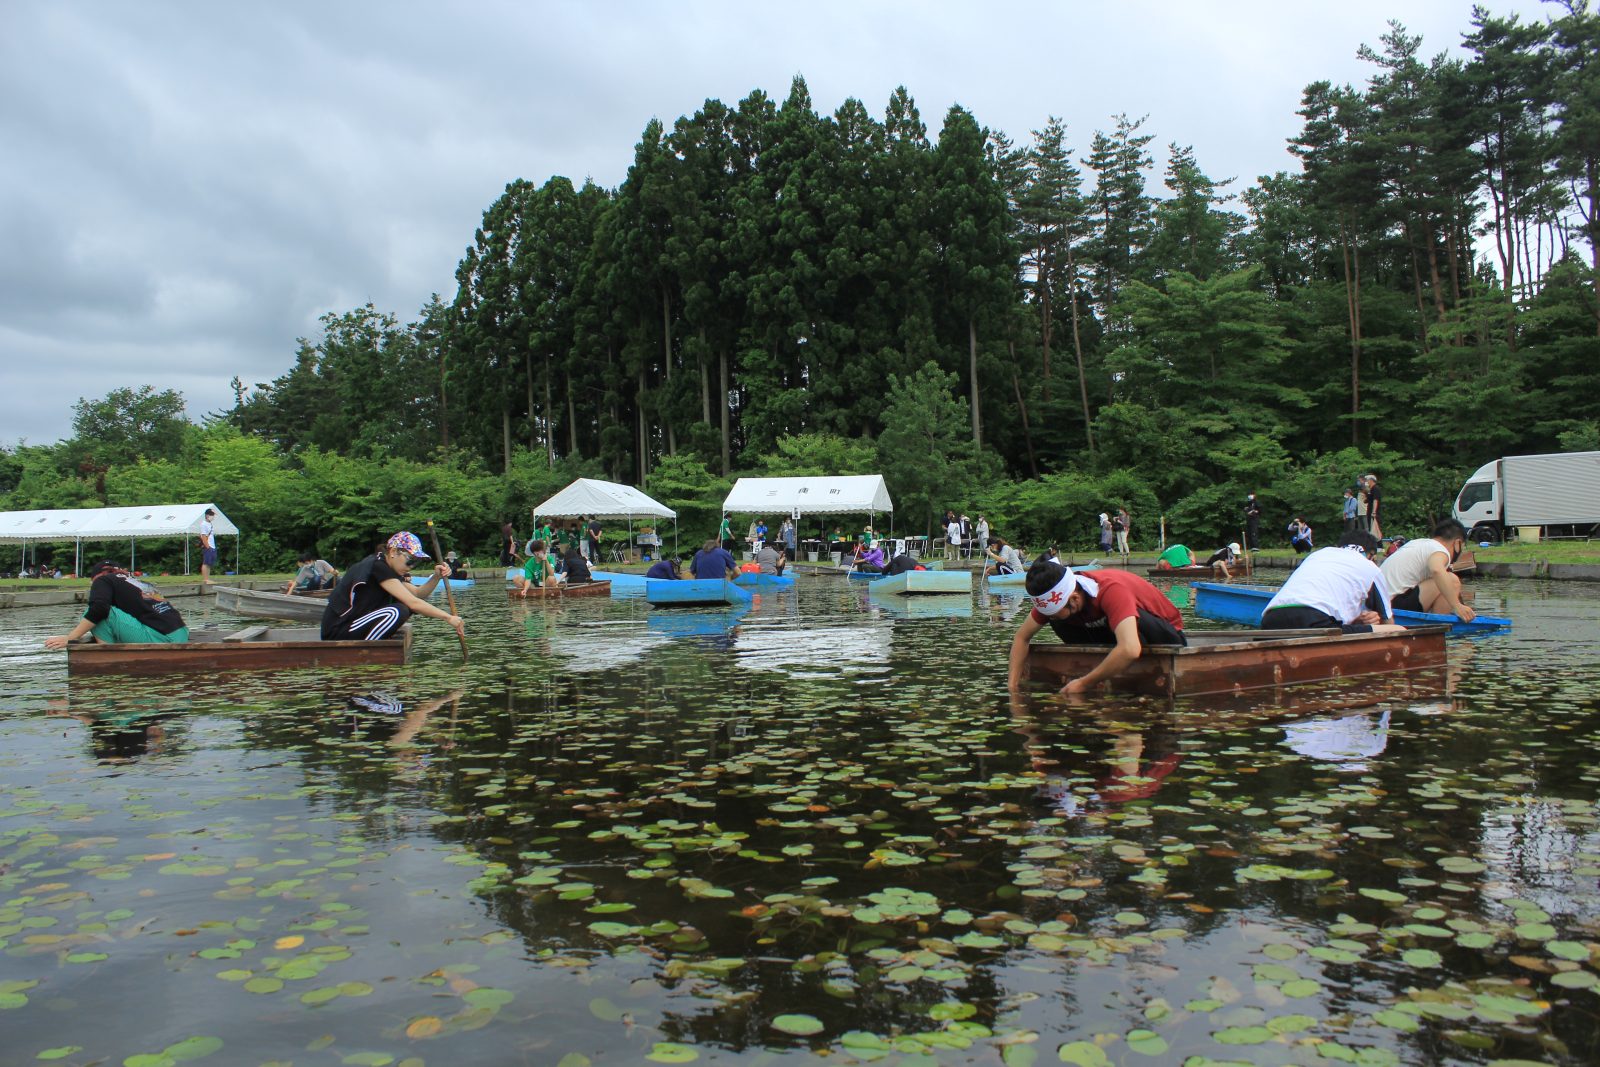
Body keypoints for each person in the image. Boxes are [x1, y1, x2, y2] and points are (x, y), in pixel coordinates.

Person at [1007, 561, 1186, 694]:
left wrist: (1084, 684)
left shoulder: (1110, 590)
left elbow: (1131, 649)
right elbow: (1021, 638)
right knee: (1058, 620)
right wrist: (1013, 688)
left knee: (1129, 623)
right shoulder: (1054, 603)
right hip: (1114, 636)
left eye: (1054, 611)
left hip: (1167, 636)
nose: (1050, 616)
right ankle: (1102, 668)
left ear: (1074, 599)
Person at [322, 532, 464, 642]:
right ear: (393, 552)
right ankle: (368, 648)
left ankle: (374, 642)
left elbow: (417, 593)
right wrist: (447, 617)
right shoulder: (378, 566)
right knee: (397, 611)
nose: (411, 567)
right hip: (338, 630)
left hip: (352, 626)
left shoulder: (389, 569)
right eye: (410, 561)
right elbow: (414, 603)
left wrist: (436, 577)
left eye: (416, 563)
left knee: (404, 606)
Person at [1262, 532, 1404, 634]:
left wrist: (1358, 622)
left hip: (1270, 620)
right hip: (1314, 621)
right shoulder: (1371, 567)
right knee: (1398, 630)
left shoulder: (1318, 554)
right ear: (1371, 555)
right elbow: (1388, 621)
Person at [44, 561, 190, 650]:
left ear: (95, 578)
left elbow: (100, 608)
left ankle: (106, 660)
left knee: (97, 612)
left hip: (164, 639)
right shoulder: (134, 581)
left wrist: (71, 637)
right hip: (180, 633)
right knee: (103, 613)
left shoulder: (103, 580)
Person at [1379, 519, 1476, 621]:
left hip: (1379, 603)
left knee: (1444, 580)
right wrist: (1457, 606)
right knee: (1452, 580)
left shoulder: (1418, 543)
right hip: (1392, 606)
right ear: (1457, 543)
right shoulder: (1440, 550)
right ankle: (1439, 627)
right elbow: (1436, 570)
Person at [198, 508, 218, 585]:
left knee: (209, 563)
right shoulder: (203, 524)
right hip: (208, 546)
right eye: (211, 515)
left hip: (212, 546)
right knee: (206, 562)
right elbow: (203, 536)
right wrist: (207, 546)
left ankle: (208, 578)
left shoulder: (210, 524)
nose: (213, 517)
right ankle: (205, 579)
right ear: (207, 515)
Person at [1365, 474, 1383, 540]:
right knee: (1371, 528)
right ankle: (1373, 543)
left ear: (1371, 480)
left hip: (1374, 511)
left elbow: (1376, 500)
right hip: (1369, 511)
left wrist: (1374, 512)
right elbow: (1366, 500)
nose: (1366, 482)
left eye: (1367, 480)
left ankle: (1379, 545)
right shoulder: (1370, 490)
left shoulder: (1376, 488)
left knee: (1376, 528)